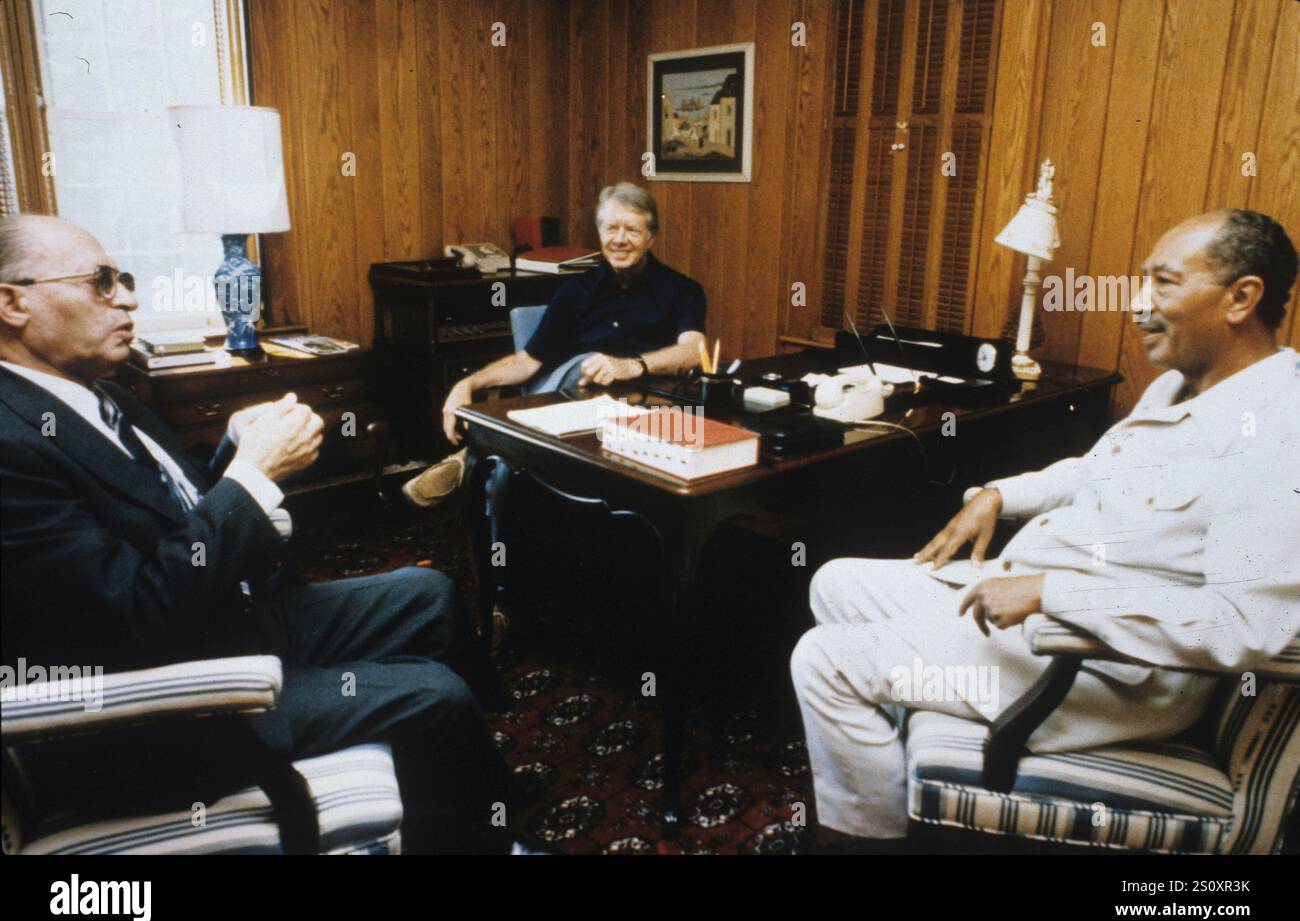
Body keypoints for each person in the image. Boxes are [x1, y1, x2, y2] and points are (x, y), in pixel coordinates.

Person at [0, 215, 519, 853]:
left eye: (124, 279)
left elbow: (172, 514)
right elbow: (135, 611)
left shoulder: (103, 393)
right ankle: (481, 827)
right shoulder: (10, 444)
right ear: (12, 302)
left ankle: (479, 777)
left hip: (221, 619)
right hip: (168, 705)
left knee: (429, 592)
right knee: (433, 693)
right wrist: (252, 477)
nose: (129, 297)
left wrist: (231, 452)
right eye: (101, 282)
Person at [790, 209, 1300, 851]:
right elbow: (1096, 470)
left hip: (1101, 668)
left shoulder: (1279, 435)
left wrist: (1052, 594)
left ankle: (868, 841)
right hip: (1046, 616)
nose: (1138, 304)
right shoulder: (1179, 387)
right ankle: (897, 765)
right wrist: (1000, 496)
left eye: (1164, 284)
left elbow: (1243, 626)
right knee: (835, 583)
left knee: (824, 661)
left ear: (1241, 298)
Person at [402, 180, 708, 506]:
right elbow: (527, 361)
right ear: (600, 234)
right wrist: (468, 383)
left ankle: (481, 454)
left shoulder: (682, 290)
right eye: (611, 229)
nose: (620, 240)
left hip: (645, 412)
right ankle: (495, 453)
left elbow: (696, 350)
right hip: (576, 406)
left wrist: (633, 365)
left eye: (632, 230)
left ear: (651, 237)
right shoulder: (575, 292)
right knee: (583, 369)